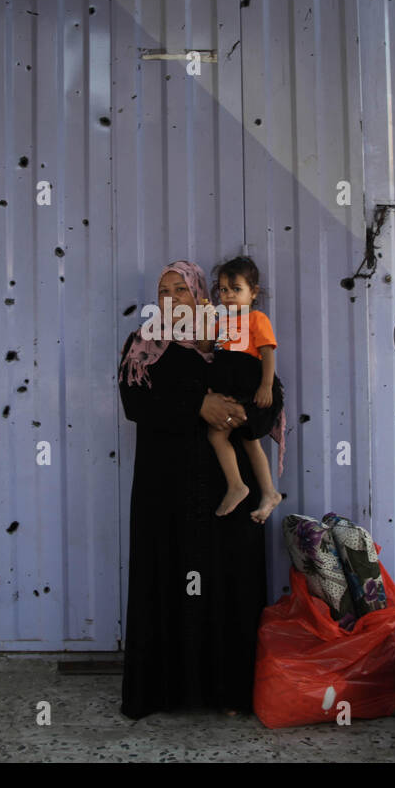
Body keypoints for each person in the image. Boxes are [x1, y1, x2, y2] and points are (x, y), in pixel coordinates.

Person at [116, 260, 282, 720]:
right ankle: (161, 694)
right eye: (163, 291)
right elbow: (135, 405)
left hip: (228, 494)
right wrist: (198, 405)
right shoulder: (145, 344)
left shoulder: (231, 336)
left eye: (181, 289)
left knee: (229, 587)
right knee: (166, 582)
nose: (172, 299)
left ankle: (229, 694)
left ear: (199, 294)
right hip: (164, 491)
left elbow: (269, 403)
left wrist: (241, 416)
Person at [206, 256, 285, 523]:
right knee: (246, 441)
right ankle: (267, 492)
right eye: (223, 290)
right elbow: (212, 355)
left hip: (252, 391)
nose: (228, 296)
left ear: (254, 292)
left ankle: (241, 486)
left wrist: (265, 386)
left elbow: (267, 354)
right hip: (232, 391)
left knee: (221, 436)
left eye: (236, 289)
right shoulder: (219, 322)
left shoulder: (256, 318)